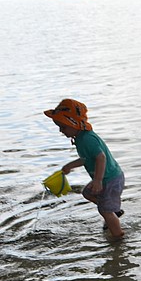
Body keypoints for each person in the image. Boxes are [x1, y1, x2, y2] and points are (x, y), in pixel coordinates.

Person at [44, 99, 125, 239]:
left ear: (73, 124)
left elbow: (101, 158)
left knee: (104, 210)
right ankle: (112, 211)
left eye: (63, 127)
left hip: (110, 178)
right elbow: (86, 159)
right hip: (104, 178)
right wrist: (69, 166)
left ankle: (118, 237)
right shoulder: (80, 138)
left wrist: (98, 180)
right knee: (87, 193)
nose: (60, 131)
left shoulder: (88, 138)